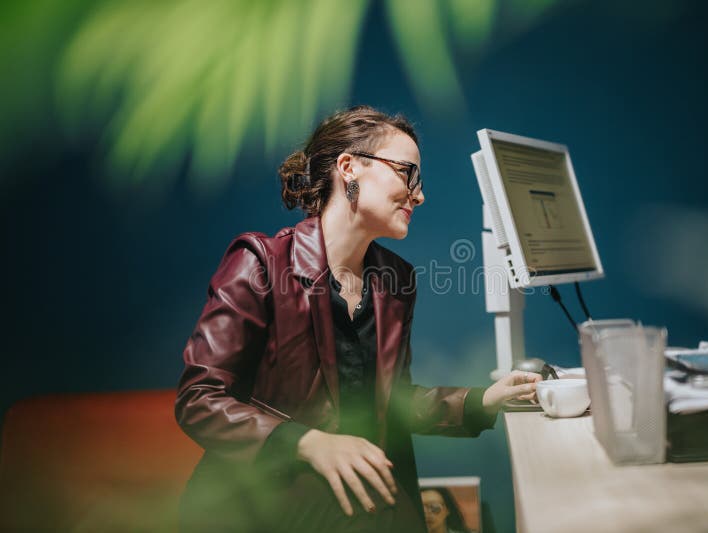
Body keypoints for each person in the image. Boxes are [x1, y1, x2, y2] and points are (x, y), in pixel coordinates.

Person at [174, 105, 541, 532]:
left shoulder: (396, 281)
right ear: (349, 167)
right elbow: (199, 398)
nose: (418, 195)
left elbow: (393, 402)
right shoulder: (259, 262)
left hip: (351, 499)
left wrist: (482, 400)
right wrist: (307, 443)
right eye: (408, 173)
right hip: (263, 503)